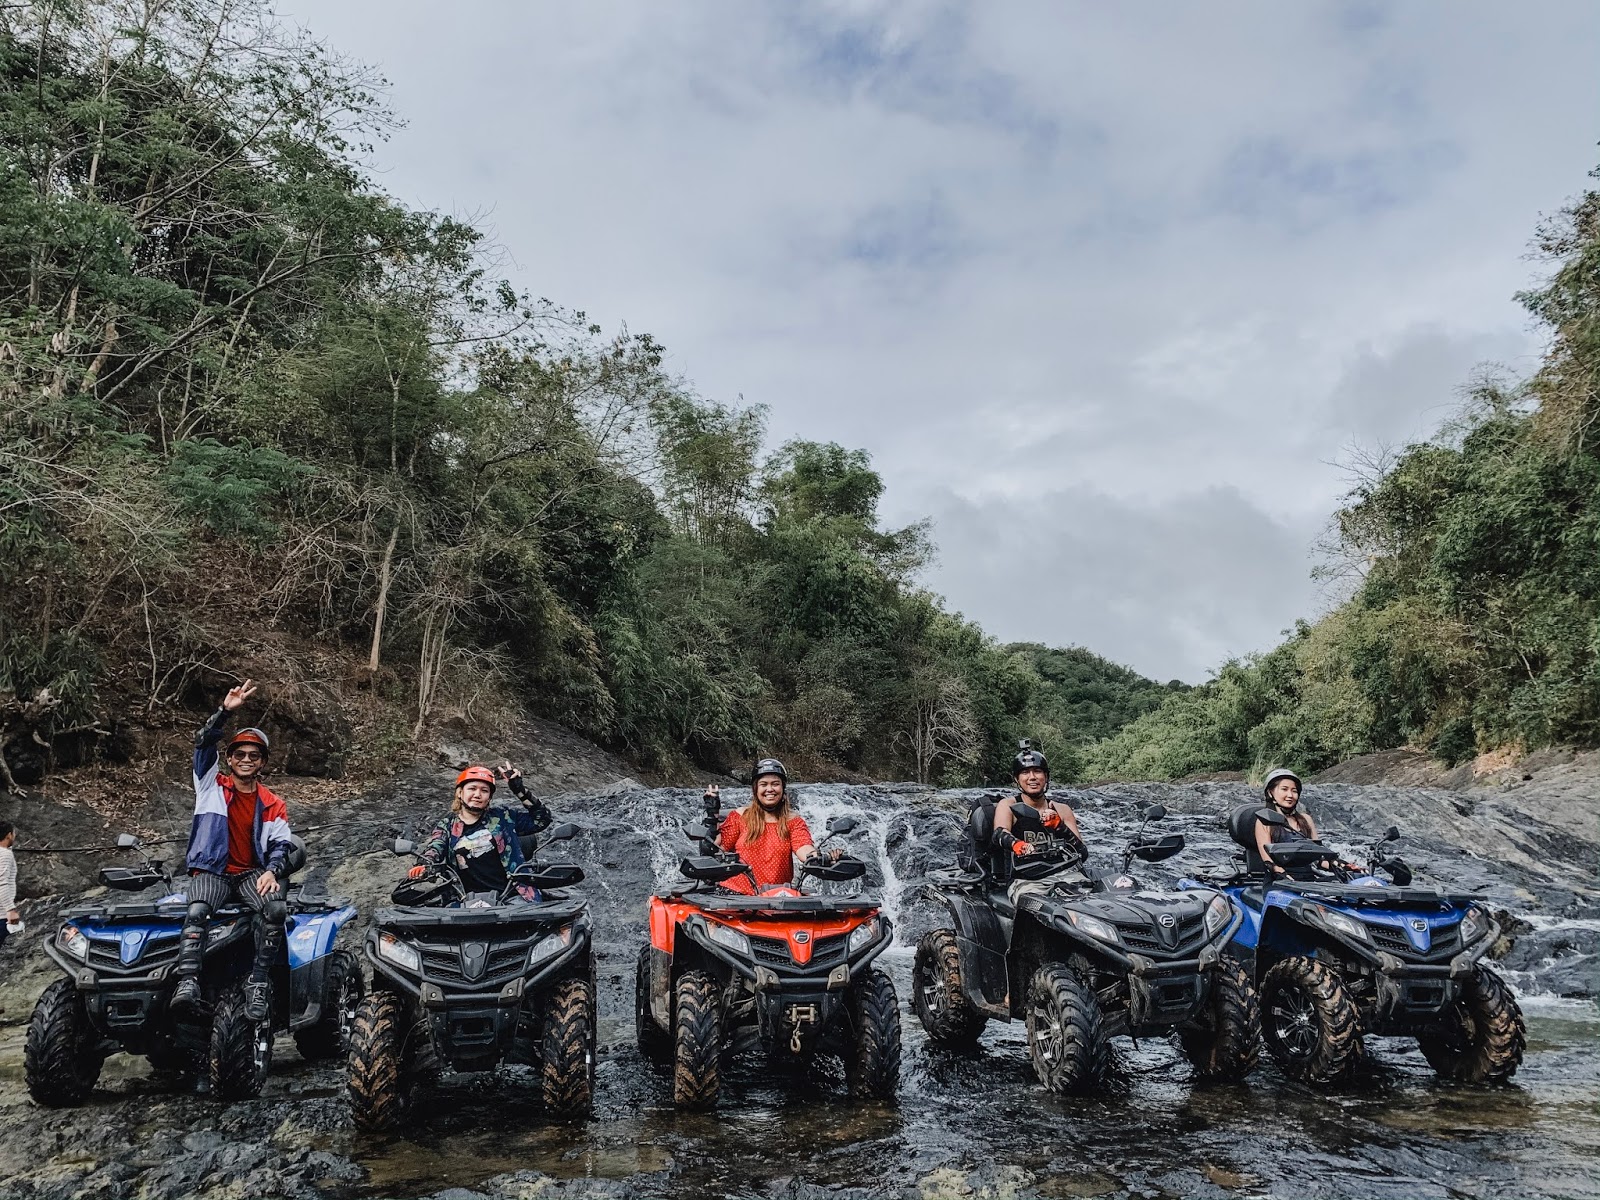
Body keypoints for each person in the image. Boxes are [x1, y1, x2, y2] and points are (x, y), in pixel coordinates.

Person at [171, 680, 293, 1021]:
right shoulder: (210, 785)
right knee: (197, 910)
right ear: (229, 759)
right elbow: (203, 741)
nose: (246, 759)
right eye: (239, 754)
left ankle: (258, 982)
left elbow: (281, 844)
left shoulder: (272, 803)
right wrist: (224, 712)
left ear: (262, 762)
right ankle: (187, 981)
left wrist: (272, 871)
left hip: (250, 874)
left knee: (275, 910)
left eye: (254, 755)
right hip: (213, 871)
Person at [409, 764, 540, 901]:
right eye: (472, 788)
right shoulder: (447, 824)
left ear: (489, 797)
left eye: (484, 790)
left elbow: (541, 819)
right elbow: (436, 846)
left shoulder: (504, 817)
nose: (477, 795)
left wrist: (519, 790)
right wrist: (424, 865)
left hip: (512, 896)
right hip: (462, 900)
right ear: (460, 793)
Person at [709, 758, 837, 895]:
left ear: (783, 788)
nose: (769, 789)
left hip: (777, 897)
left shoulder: (793, 821)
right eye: (763, 784)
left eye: (775, 784)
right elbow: (717, 848)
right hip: (736, 895)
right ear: (756, 789)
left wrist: (820, 857)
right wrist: (712, 814)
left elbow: (804, 847)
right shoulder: (740, 816)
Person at [990, 742, 1087, 902]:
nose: (1032, 777)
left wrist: (1060, 827)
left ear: (1046, 777)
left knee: (1090, 901)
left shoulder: (1062, 809)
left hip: (1066, 875)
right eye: (1025, 772)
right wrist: (1017, 844)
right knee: (1037, 907)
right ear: (1017, 779)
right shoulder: (1008, 805)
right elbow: (999, 833)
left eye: (1037, 771)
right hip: (1027, 880)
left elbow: (1082, 853)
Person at [1253, 768, 1323, 877]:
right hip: (1279, 881)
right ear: (1270, 793)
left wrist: (1337, 863)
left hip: (1308, 879)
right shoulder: (1264, 821)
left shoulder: (1306, 819)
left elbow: (1319, 857)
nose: (1290, 795)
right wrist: (1285, 876)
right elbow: (1268, 861)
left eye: (1294, 791)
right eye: (1284, 789)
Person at [0, 821, 19, 953]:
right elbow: (2, 882)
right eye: (14, 834)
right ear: (9, 835)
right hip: (1, 913)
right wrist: (10, 909)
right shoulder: (5, 854)